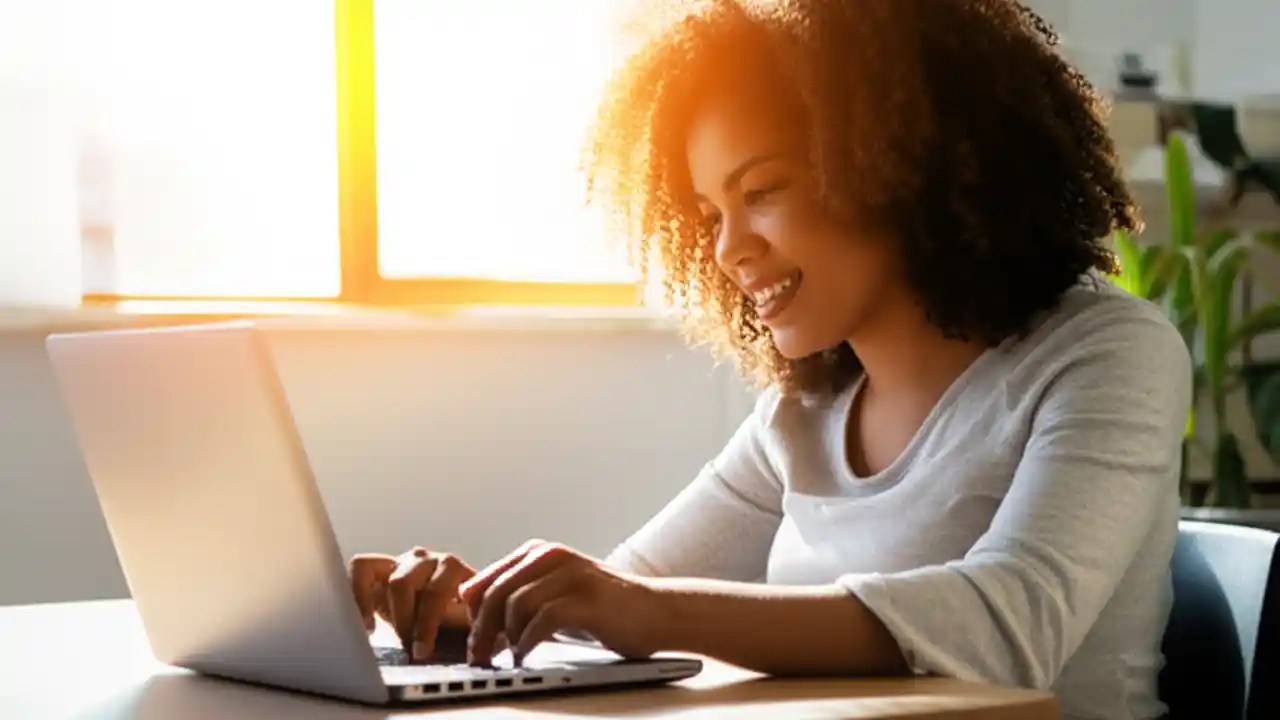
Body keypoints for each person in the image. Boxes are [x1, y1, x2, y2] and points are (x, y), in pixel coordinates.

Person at [348, 2, 1191, 718]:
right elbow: (622, 596)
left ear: (899, 164)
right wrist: (479, 606)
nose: (726, 249)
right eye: (710, 211)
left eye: (763, 192)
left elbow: (1011, 626)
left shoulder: (1105, 353)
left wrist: (639, 608)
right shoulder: (802, 416)